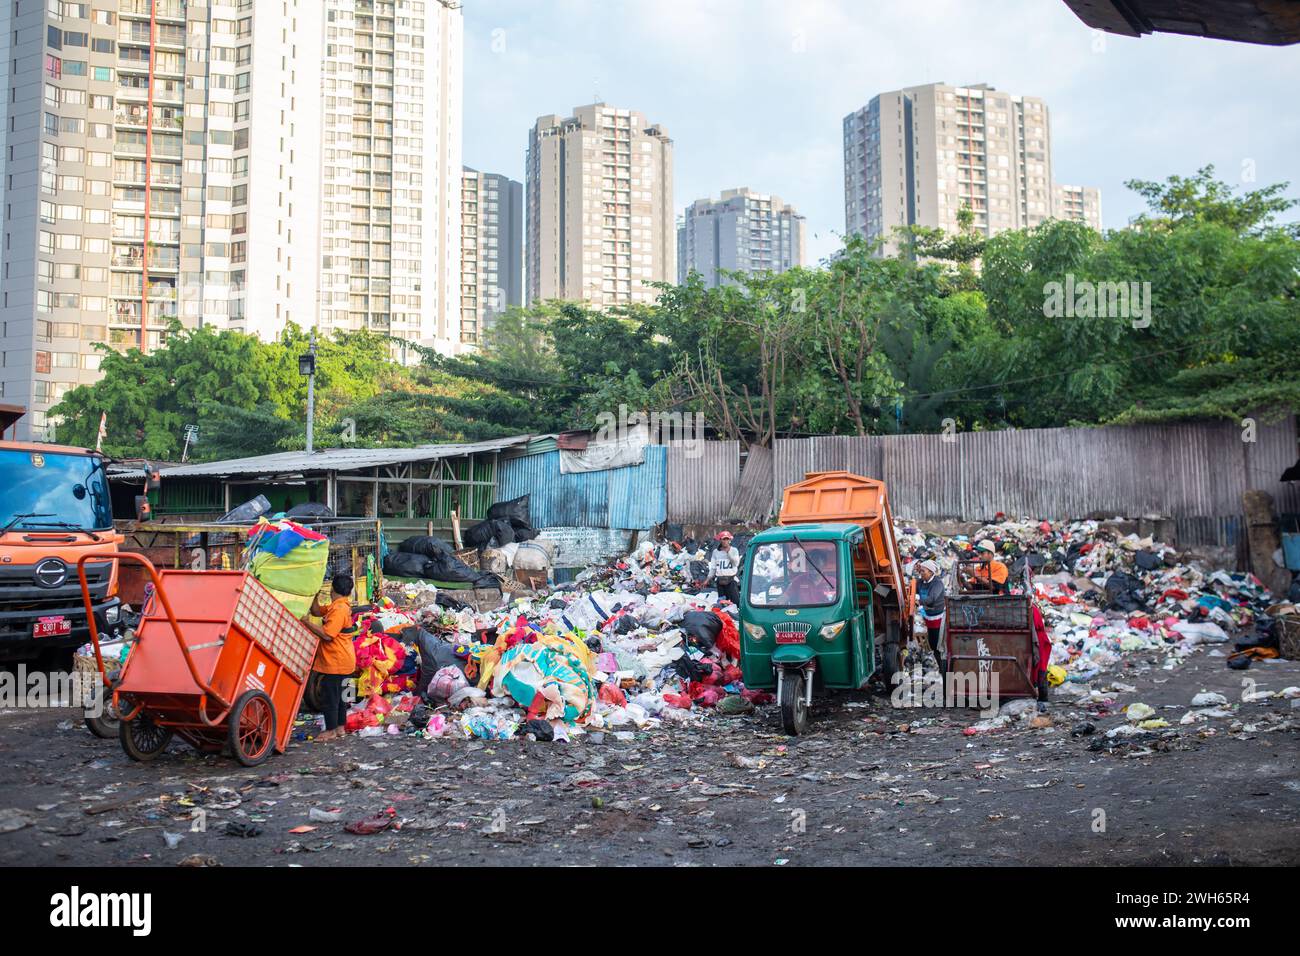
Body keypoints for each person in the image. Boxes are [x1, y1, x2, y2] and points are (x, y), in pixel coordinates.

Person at [301, 574, 357, 742]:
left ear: (333, 589)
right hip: (344, 660)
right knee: (341, 697)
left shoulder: (339, 609)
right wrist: (314, 596)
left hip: (336, 661)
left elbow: (328, 635)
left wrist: (307, 623)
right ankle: (340, 728)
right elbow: (317, 611)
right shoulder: (339, 605)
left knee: (330, 698)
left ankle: (330, 731)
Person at [915, 559, 946, 671]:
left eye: (924, 571)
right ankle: (941, 667)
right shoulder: (921, 582)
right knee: (933, 643)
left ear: (931, 572)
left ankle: (944, 669)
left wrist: (919, 602)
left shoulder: (937, 583)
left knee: (938, 645)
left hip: (938, 618)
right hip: (928, 616)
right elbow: (914, 587)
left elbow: (932, 598)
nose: (921, 573)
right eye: (921, 571)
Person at [705, 531, 741, 605]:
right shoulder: (716, 552)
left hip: (731, 580)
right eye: (723, 539)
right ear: (720, 540)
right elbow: (713, 568)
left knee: (735, 602)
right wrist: (707, 579)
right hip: (720, 581)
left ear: (729, 540)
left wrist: (728, 553)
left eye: (727, 539)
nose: (725, 541)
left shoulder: (734, 550)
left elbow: (736, 563)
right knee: (723, 602)